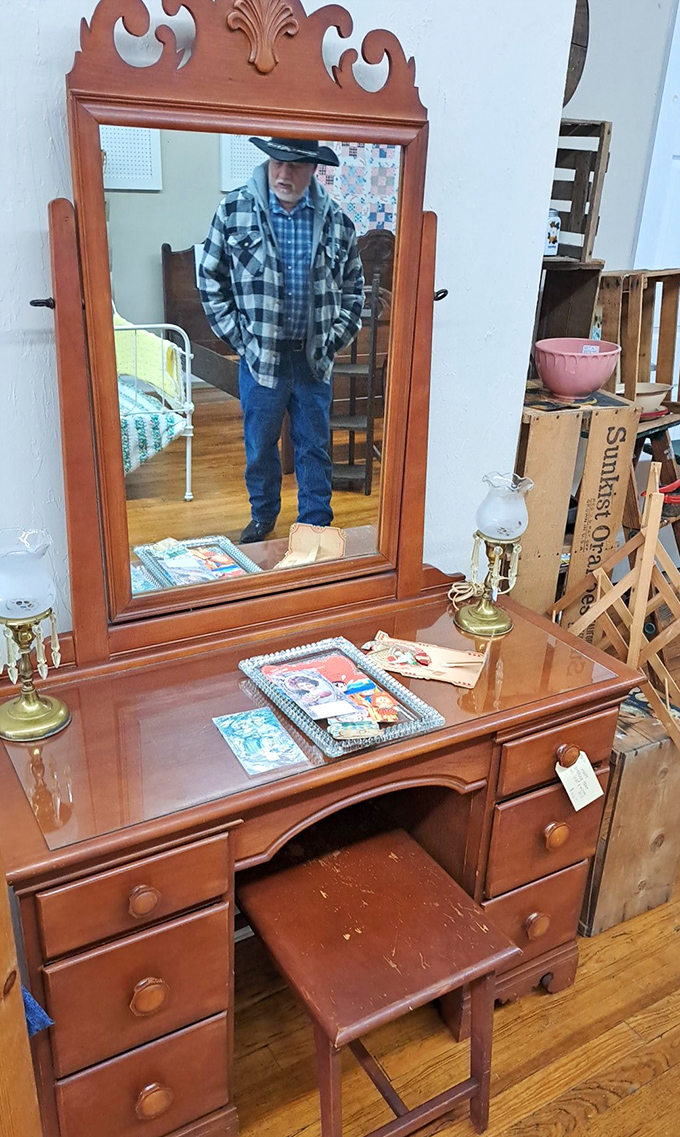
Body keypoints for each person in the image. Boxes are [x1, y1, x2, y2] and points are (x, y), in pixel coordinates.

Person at [198, 137, 365, 544]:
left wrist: (331, 341)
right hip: (261, 360)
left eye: (295, 165)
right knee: (259, 445)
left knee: (314, 446)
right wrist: (241, 339)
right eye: (277, 162)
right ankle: (263, 516)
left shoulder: (338, 223)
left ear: (313, 169)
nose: (283, 173)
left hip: (313, 361)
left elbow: (354, 291)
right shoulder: (234, 211)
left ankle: (314, 525)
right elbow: (209, 279)